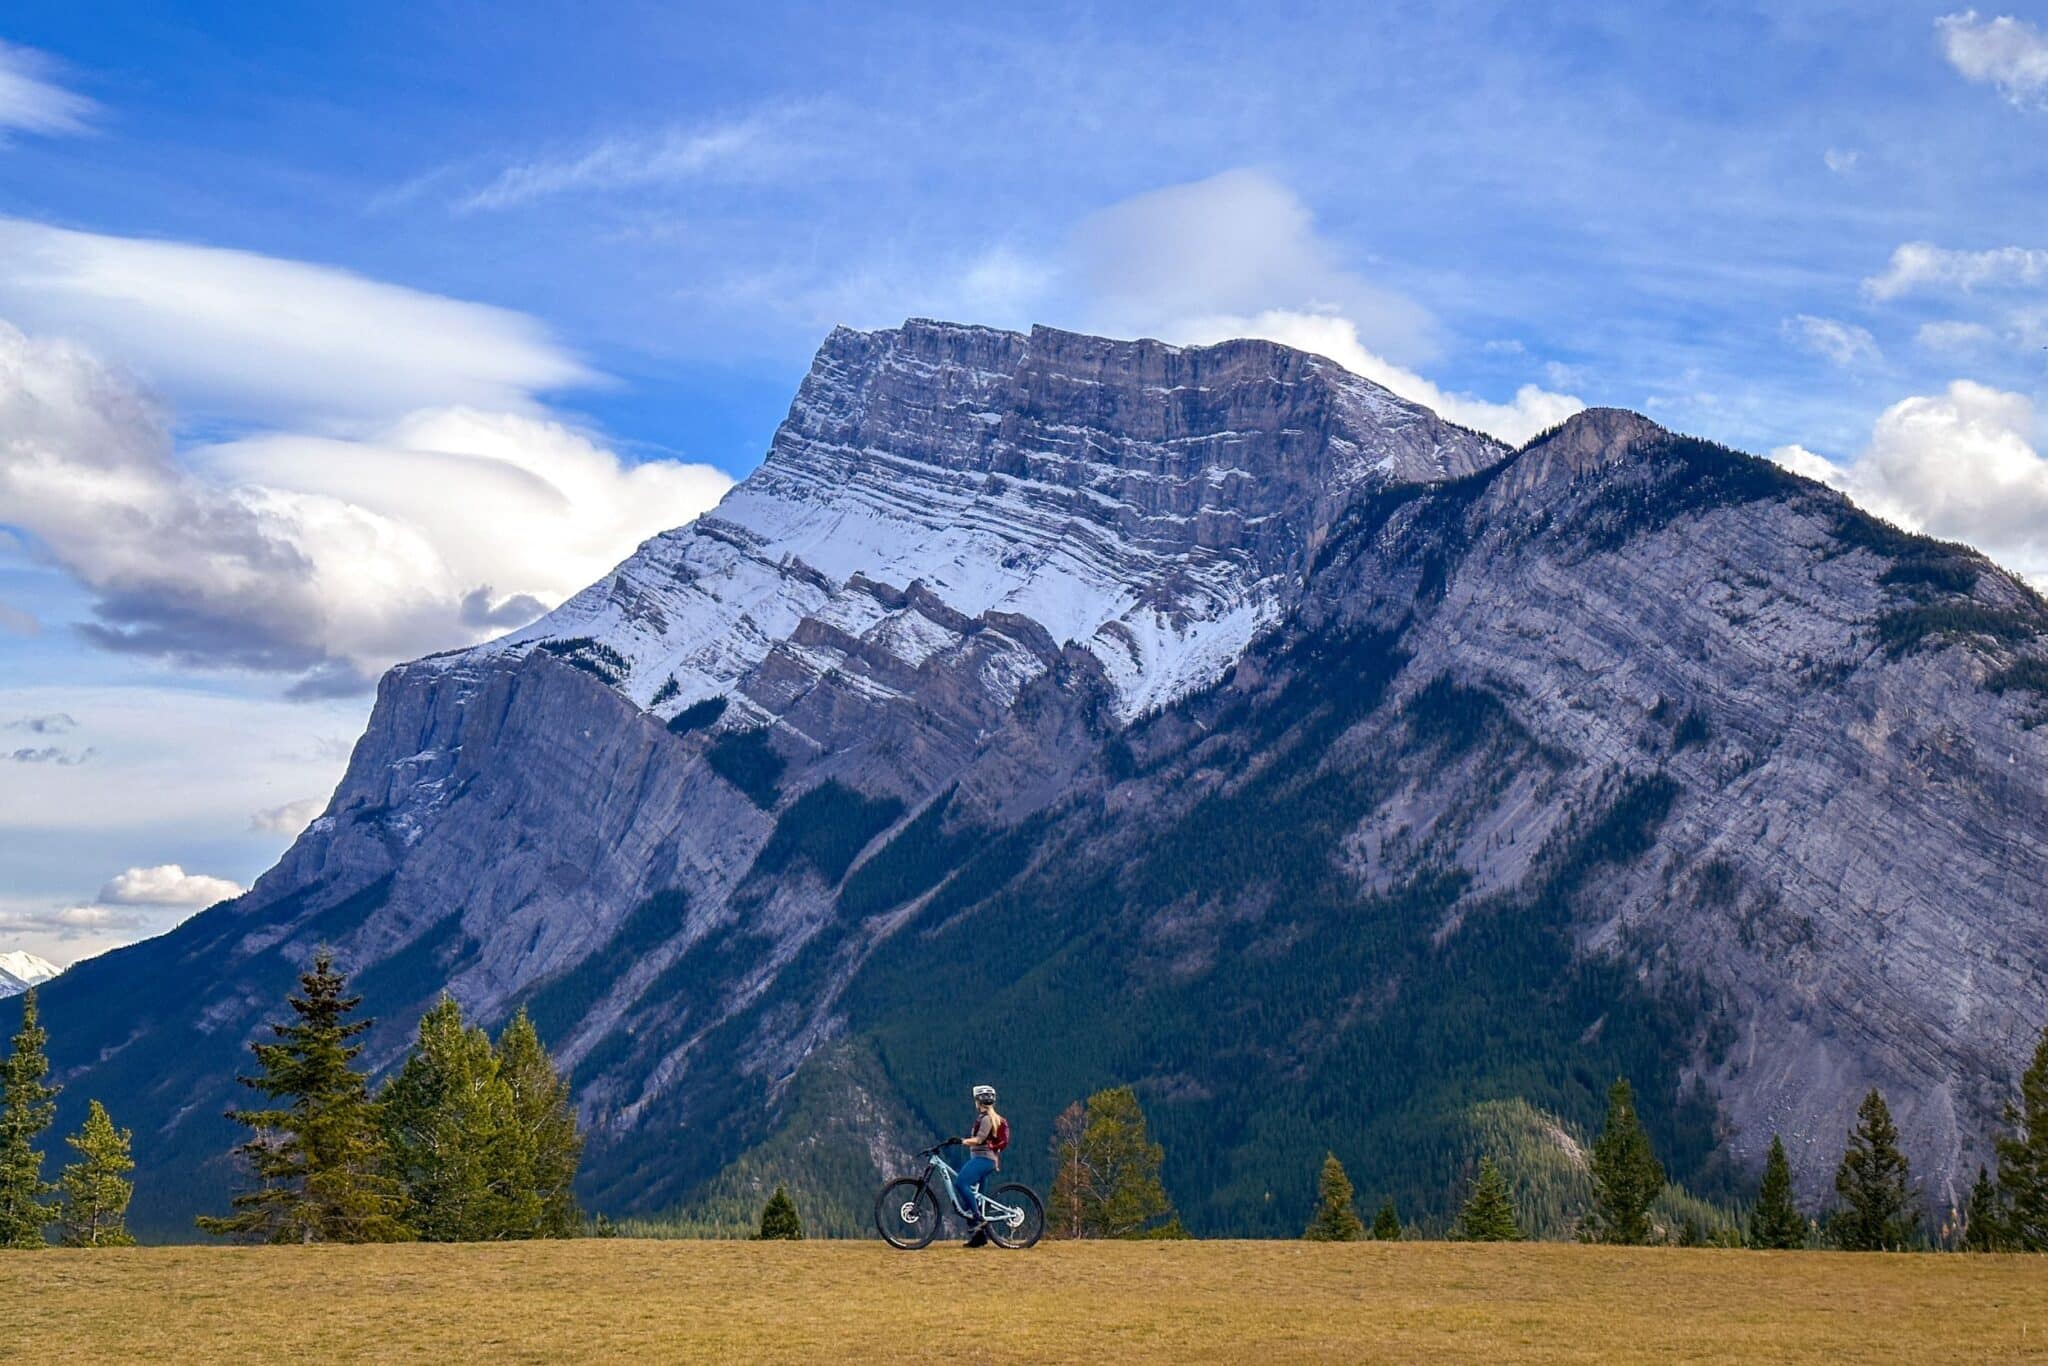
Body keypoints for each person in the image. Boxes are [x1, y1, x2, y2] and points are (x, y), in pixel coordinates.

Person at [957, 1083, 1009, 1248]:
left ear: (978, 1101)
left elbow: (979, 1140)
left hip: (984, 1160)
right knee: (972, 1198)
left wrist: (962, 1141)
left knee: (961, 1183)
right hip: (985, 1160)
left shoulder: (986, 1119)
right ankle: (979, 1237)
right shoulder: (986, 1117)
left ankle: (979, 1218)